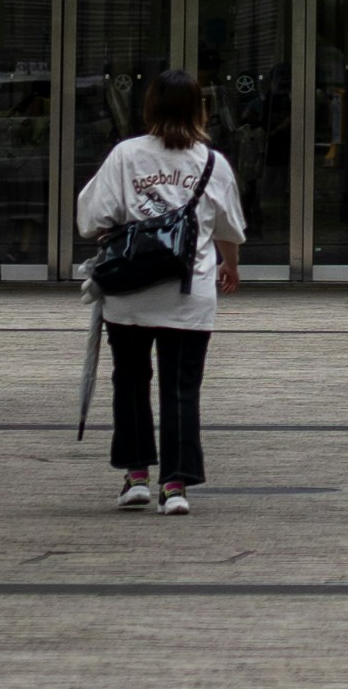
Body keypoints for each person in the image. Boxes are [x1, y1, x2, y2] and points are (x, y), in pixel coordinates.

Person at [78, 66, 243, 510]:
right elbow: (228, 227)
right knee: (181, 387)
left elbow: (94, 217)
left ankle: (135, 476)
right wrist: (230, 265)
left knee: (130, 381)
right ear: (199, 109)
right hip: (189, 292)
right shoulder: (212, 162)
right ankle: (175, 485)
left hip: (130, 291)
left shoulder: (125, 154)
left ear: (149, 107)